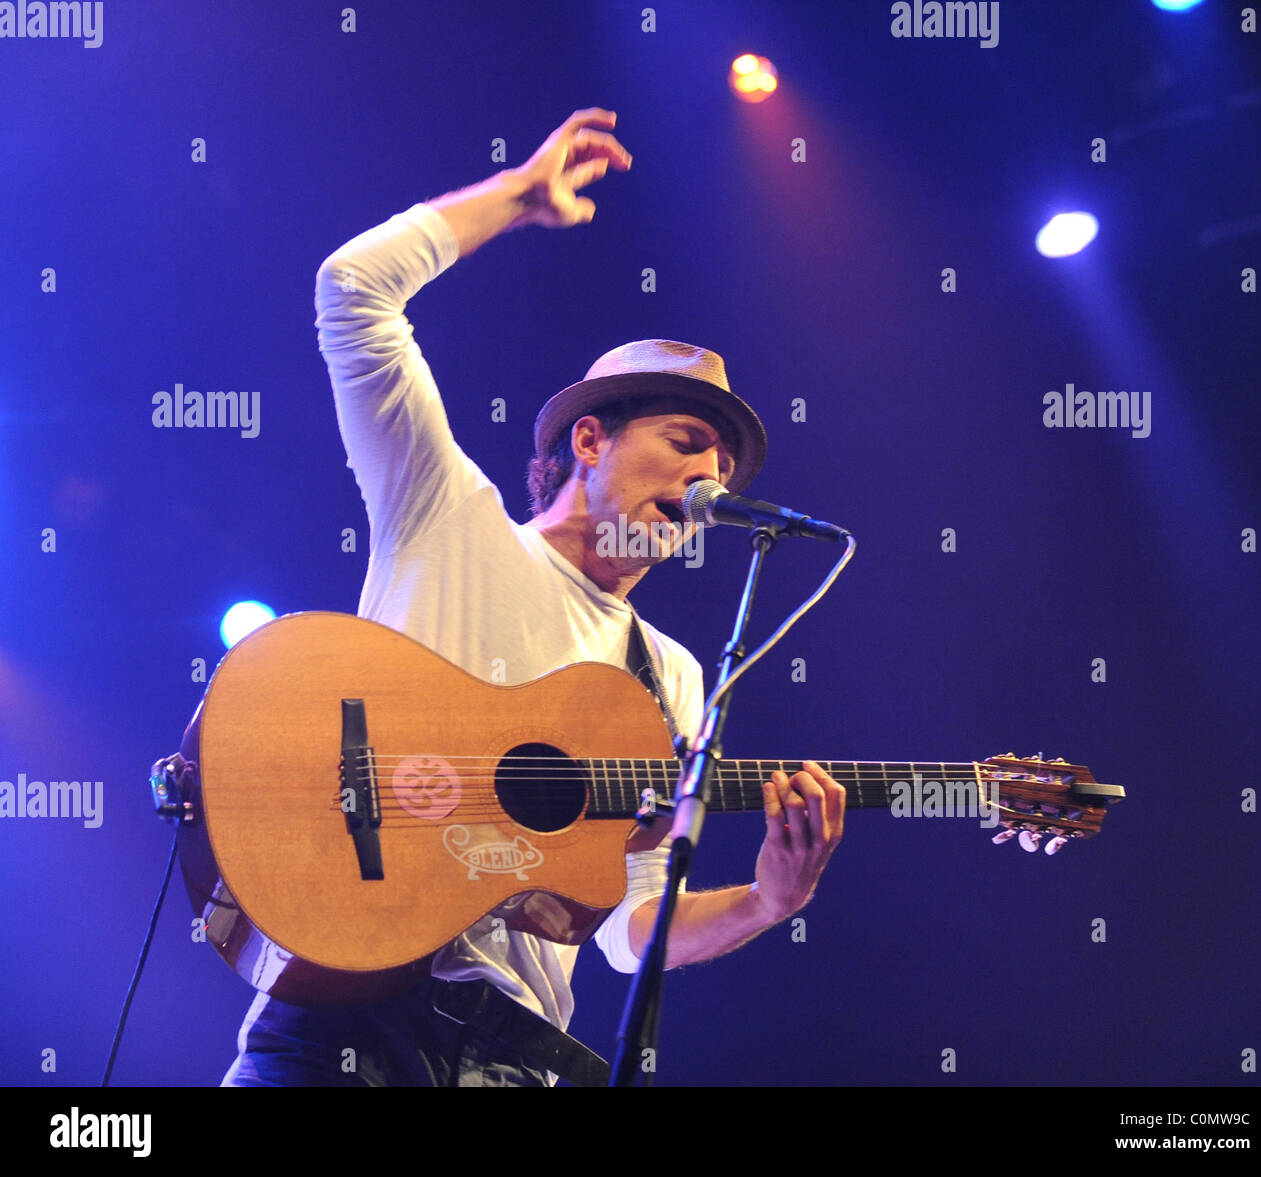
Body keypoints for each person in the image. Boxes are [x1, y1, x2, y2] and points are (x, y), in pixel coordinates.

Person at [222, 108, 845, 1087]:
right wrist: (516, 196)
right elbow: (351, 291)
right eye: (686, 443)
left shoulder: (672, 677)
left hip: (511, 1065)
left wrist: (768, 900)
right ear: (590, 441)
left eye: (722, 466)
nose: (705, 478)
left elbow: (631, 930)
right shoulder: (447, 517)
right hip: (342, 1025)